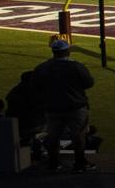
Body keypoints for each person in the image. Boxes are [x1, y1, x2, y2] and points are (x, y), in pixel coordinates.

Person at [32, 38, 95, 173]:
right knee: (78, 136)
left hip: (52, 108)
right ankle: (79, 163)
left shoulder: (42, 68)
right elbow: (88, 83)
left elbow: (35, 86)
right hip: (75, 107)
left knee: (53, 136)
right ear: (67, 51)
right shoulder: (76, 66)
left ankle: (53, 163)